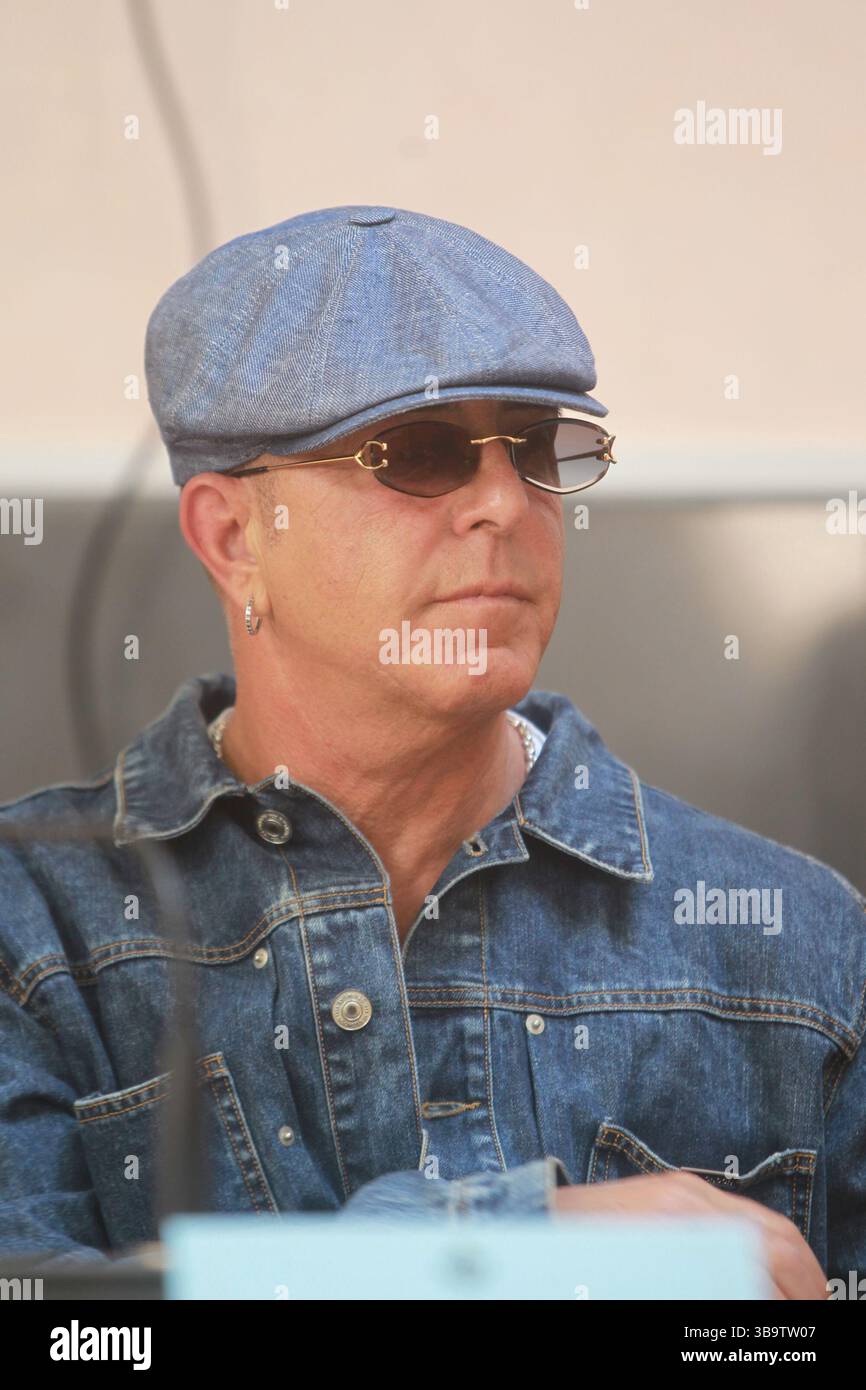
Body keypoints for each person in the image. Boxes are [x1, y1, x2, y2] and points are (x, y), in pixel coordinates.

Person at [0, 206, 860, 1301]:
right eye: (415, 453)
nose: (505, 502)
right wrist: (506, 1247)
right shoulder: (35, 928)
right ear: (230, 537)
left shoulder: (799, 947)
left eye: (537, 445)